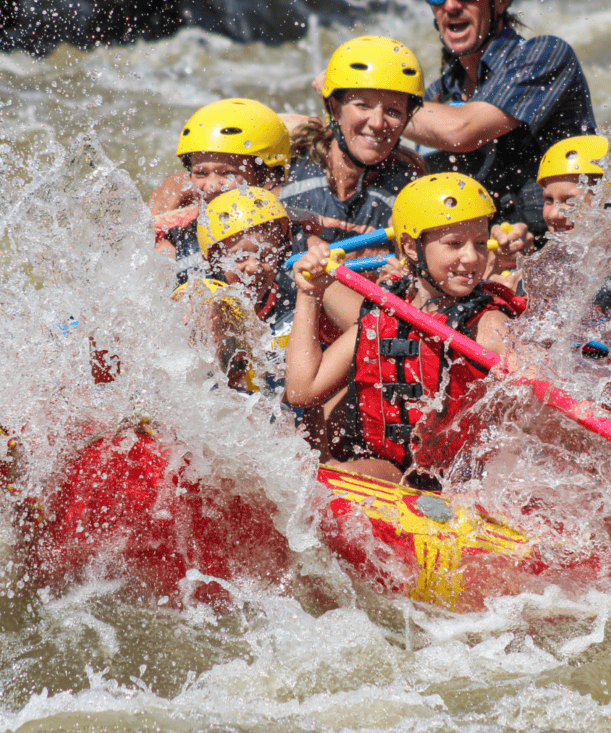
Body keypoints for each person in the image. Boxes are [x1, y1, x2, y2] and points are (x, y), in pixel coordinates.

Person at [285, 173, 523, 489]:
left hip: (461, 486)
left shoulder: (488, 322)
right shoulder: (386, 310)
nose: (472, 257)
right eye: (454, 244)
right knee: (311, 476)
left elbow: (531, 403)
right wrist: (309, 294)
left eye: (480, 243)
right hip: (393, 473)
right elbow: (303, 390)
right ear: (411, 246)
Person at [400, 0, 597, 254]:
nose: (450, 5)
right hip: (480, 259)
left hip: (565, 251)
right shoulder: (436, 96)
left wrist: (362, 104)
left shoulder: (545, 56)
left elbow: (462, 130)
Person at [280, 36, 426, 247]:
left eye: (393, 111)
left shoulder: (410, 192)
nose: (377, 123)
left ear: (407, 118)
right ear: (335, 108)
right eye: (363, 106)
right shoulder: (288, 164)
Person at [151, 98, 291, 282]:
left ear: (265, 174)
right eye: (200, 173)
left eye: (229, 174)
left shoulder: (293, 231)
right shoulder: (173, 247)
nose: (211, 187)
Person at [178, 186, 298, 397]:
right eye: (239, 257)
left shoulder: (294, 301)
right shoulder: (202, 297)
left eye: (266, 254)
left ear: (281, 252)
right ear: (216, 261)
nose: (253, 267)